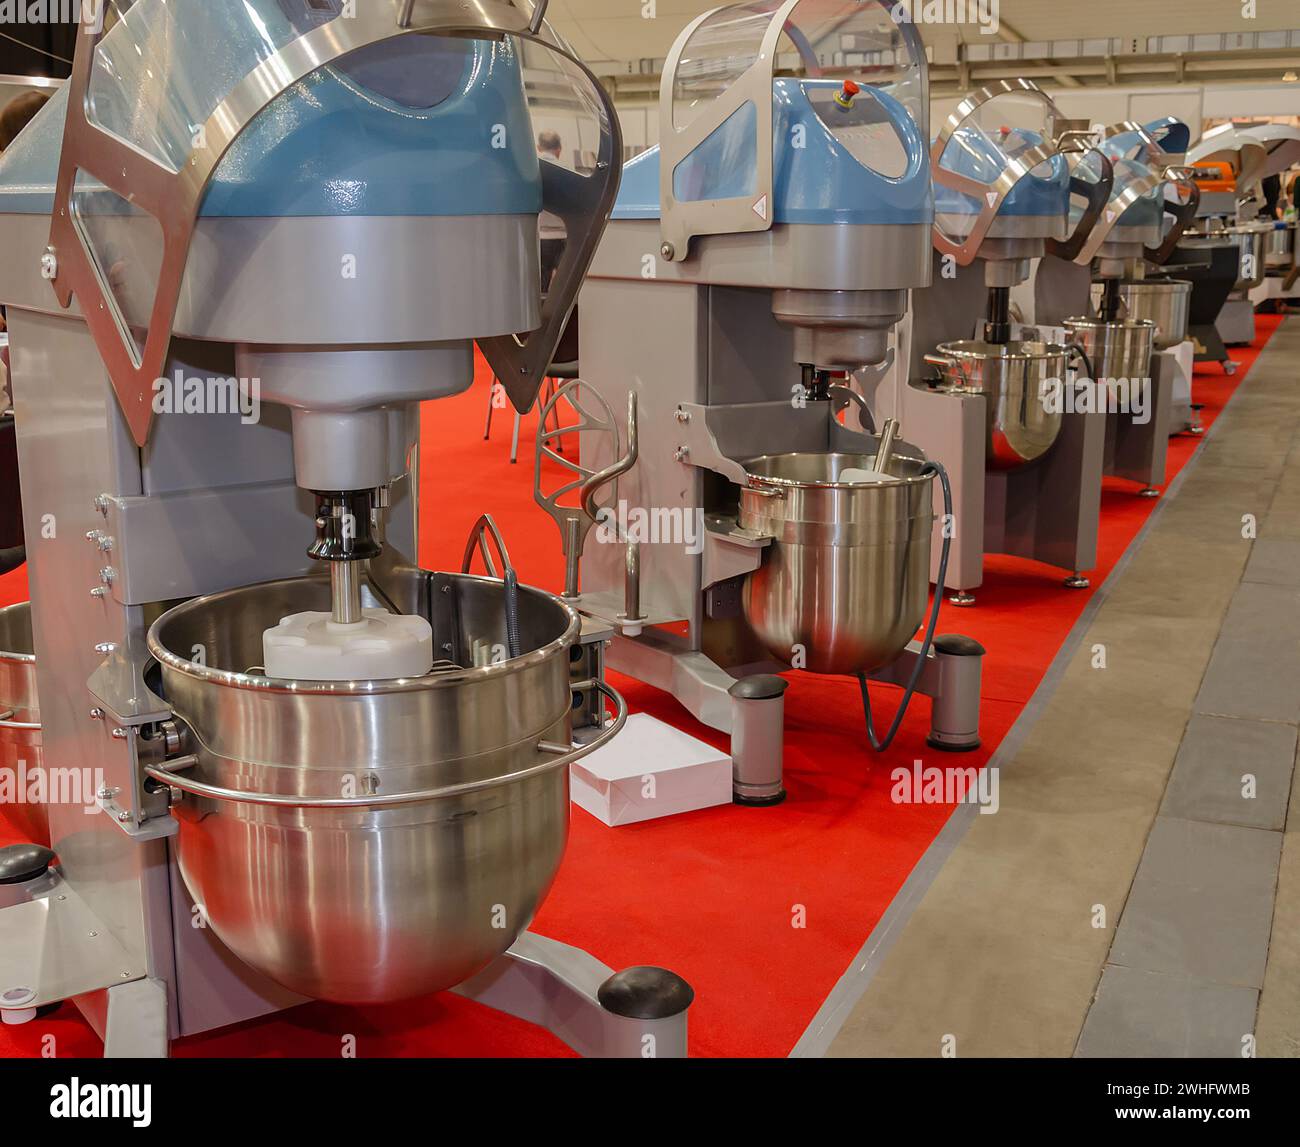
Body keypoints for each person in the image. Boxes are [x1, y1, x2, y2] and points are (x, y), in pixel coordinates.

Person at [537, 130, 567, 292]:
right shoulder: (567, 171)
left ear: (538, 147)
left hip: (540, 236)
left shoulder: (532, 170)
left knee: (541, 281)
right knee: (562, 282)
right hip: (563, 237)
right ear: (559, 149)